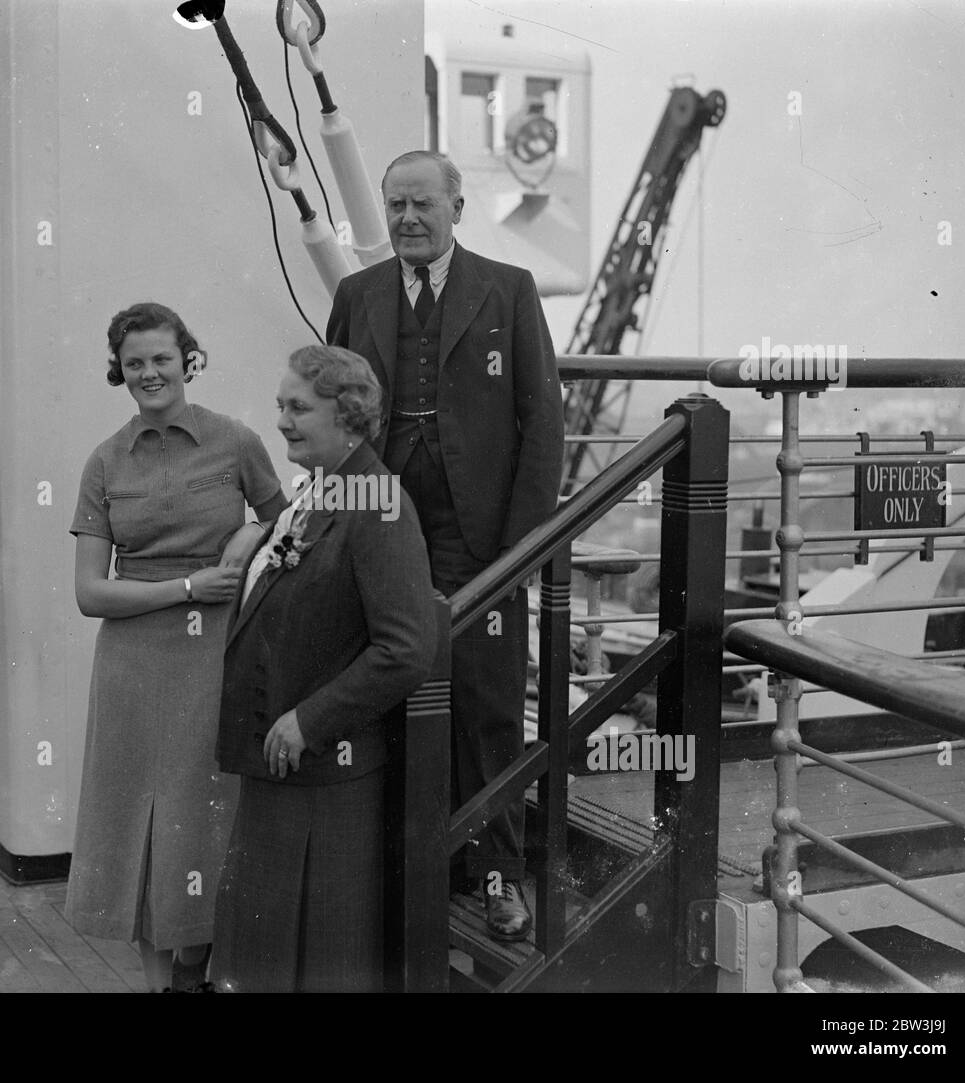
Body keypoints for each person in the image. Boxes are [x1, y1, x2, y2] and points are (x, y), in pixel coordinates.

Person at [327, 149, 565, 941]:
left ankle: (499, 877)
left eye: (423, 205)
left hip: (480, 538)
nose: (406, 219)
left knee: (488, 707)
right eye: (395, 205)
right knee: (381, 693)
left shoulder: (509, 289)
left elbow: (543, 423)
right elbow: (332, 422)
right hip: (381, 526)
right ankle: (394, 874)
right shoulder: (355, 295)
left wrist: (521, 549)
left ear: (457, 207)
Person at [65, 302, 288, 992]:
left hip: (216, 659)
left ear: (186, 359)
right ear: (119, 371)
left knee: (202, 815)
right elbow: (90, 594)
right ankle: (161, 984)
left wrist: (247, 541)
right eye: (134, 363)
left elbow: (285, 522)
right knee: (136, 819)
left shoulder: (236, 442)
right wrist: (191, 585)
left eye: (161, 358)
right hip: (132, 665)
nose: (149, 373)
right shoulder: (105, 461)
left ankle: (194, 965)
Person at [209, 345, 437, 992]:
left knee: (316, 965)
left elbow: (406, 647)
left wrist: (310, 720)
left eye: (299, 407)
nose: (281, 419)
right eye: (281, 404)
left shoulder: (380, 504)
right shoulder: (318, 491)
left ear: (350, 415)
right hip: (282, 778)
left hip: (326, 783)